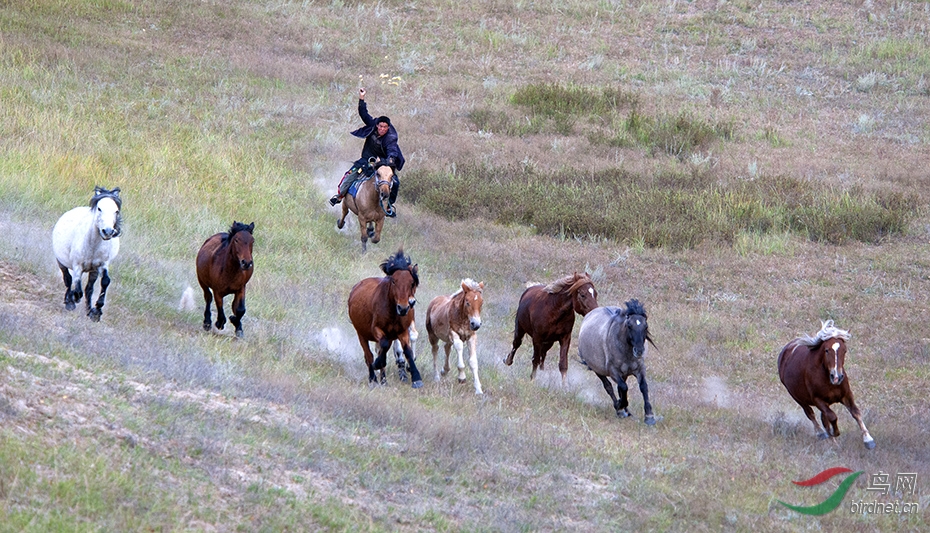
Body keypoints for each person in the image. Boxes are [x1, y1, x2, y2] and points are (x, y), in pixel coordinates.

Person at [329, 88, 405, 217]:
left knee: (395, 183)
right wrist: (361, 98)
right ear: (377, 125)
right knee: (351, 174)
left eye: (384, 127)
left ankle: (390, 205)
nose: (381, 129)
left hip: (384, 164)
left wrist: (383, 162)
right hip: (367, 159)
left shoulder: (391, 138)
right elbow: (363, 114)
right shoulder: (373, 124)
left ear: (388, 128)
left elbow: (392, 153)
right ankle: (340, 195)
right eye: (380, 126)